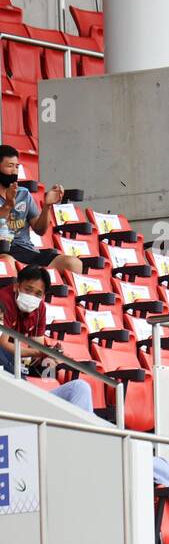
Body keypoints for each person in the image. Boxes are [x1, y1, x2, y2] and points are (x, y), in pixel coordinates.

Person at [0, 264, 93, 411]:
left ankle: (80, 434)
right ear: (16, 286)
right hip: (8, 389)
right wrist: (41, 352)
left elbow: (36, 350)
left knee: (80, 388)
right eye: (28, 290)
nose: (32, 297)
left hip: (25, 390)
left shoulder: (39, 308)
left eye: (38, 294)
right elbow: (3, 344)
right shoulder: (3, 301)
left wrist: (49, 355)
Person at [0, 145, 82, 274]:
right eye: (10, 166)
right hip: (4, 251)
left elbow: (40, 230)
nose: (14, 172)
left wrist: (47, 206)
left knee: (73, 263)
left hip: (27, 251)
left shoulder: (24, 194)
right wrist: (8, 205)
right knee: (7, 262)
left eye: (17, 167)